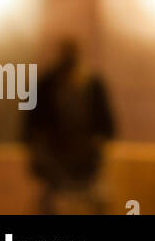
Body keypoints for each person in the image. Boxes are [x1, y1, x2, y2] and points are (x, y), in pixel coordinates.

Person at [22, 39, 116, 214]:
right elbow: (31, 127)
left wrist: (94, 146)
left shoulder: (92, 85)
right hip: (55, 162)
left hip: (85, 162)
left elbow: (107, 126)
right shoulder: (45, 85)